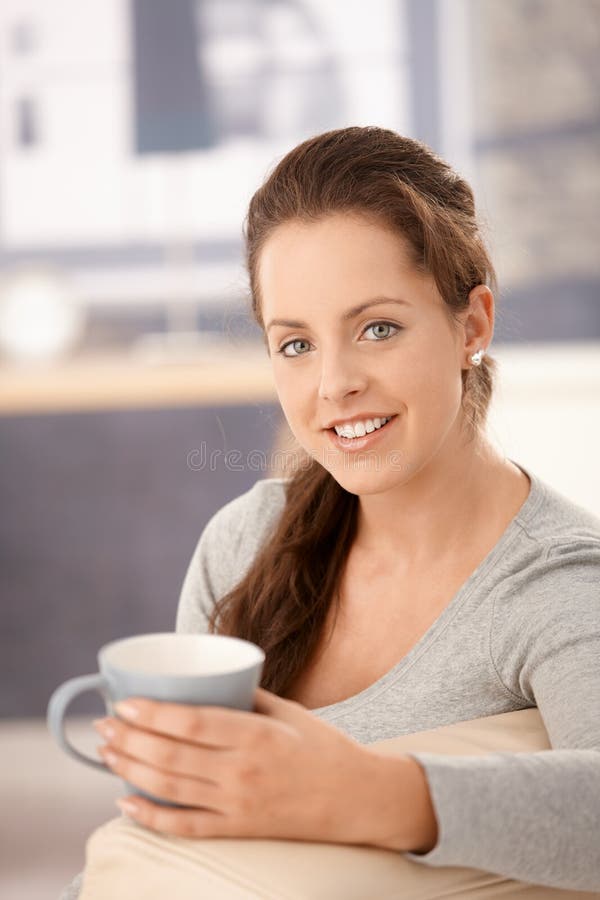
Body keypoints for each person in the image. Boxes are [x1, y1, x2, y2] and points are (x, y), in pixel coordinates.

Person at [63, 126, 600, 898]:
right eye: (295, 344)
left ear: (471, 325)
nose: (334, 384)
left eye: (376, 328)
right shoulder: (245, 542)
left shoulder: (557, 584)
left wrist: (364, 792)